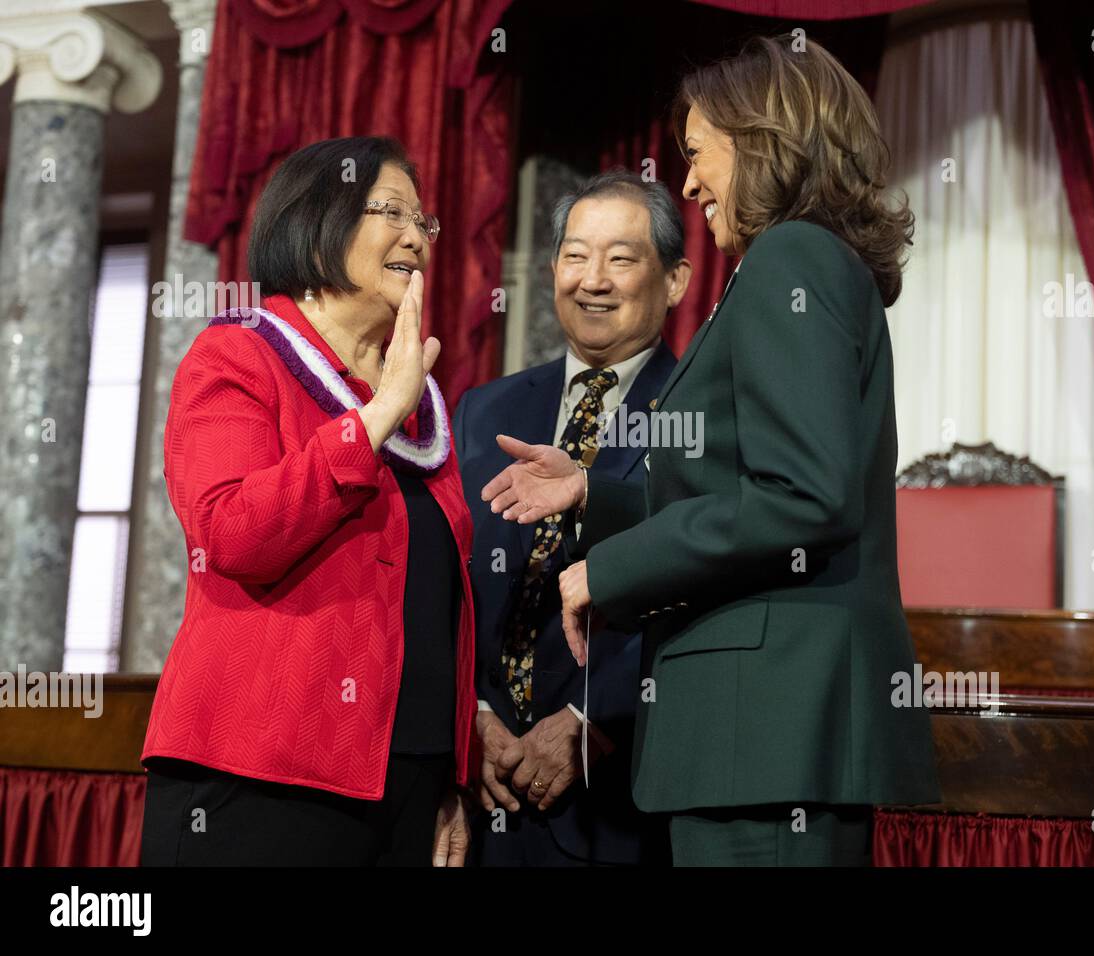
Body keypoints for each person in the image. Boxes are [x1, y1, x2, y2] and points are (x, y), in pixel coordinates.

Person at [482, 36, 941, 866]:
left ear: (762, 138)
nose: (688, 183)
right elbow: (756, 486)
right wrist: (595, 492)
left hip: (764, 734)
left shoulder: (790, 258)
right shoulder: (809, 262)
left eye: (697, 155)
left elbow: (806, 498)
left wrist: (611, 570)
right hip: (768, 736)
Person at [140, 136, 476, 866]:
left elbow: (435, 605)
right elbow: (233, 533)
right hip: (262, 777)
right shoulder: (237, 356)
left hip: (405, 783)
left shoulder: (421, 399)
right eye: (391, 212)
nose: (416, 236)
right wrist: (374, 418)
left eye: (425, 222)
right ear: (316, 220)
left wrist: (449, 778)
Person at [455, 170, 687, 865]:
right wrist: (475, 713)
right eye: (576, 256)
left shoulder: (701, 414)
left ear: (673, 280)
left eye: (621, 258)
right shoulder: (483, 411)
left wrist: (597, 718)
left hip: (618, 799)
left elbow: (706, 573)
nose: (594, 279)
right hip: (482, 793)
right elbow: (446, 577)